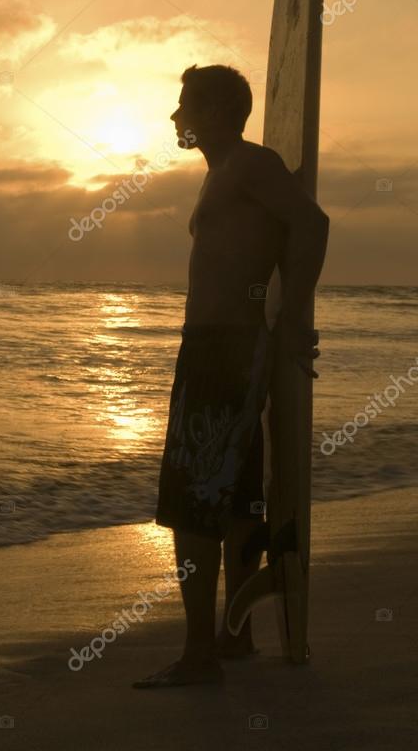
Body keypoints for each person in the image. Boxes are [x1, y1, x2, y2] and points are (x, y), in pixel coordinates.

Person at [133, 64, 329, 688]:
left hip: (224, 351)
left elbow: (312, 223)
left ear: (216, 112)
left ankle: (198, 658)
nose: (175, 116)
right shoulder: (224, 174)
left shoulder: (247, 163)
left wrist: (294, 317)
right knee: (240, 496)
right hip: (224, 349)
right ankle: (235, 635)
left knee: (192, 503)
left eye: (184, 104)